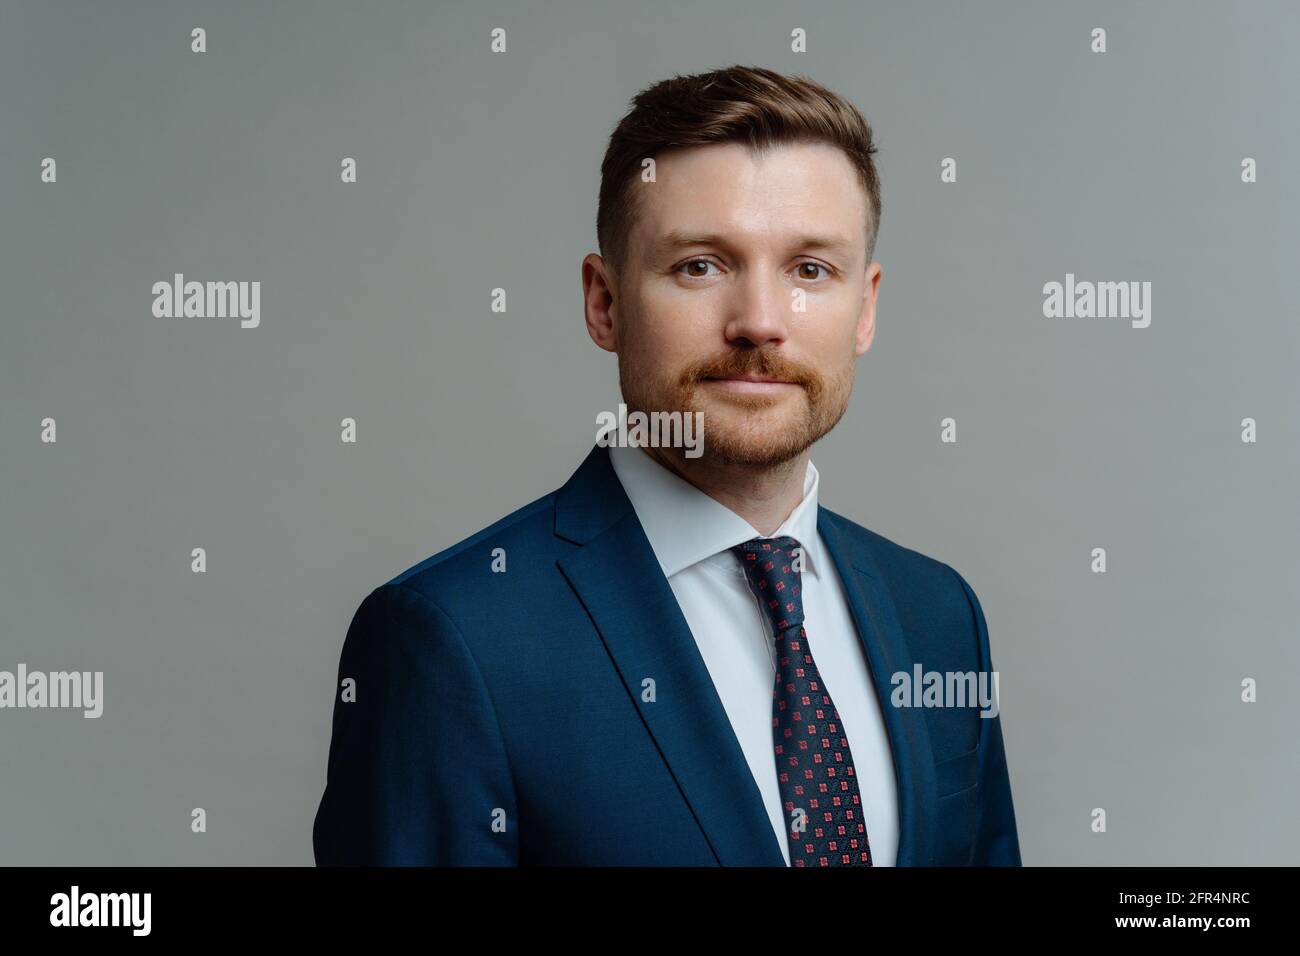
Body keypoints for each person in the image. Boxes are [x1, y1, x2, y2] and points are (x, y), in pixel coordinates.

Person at [312, 64, 1021, 867]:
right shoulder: (451, 642)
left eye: (809, 270)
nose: (758, 322)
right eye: (701, 266)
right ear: (603, 303)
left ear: (864, 308)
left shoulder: (940, 615)